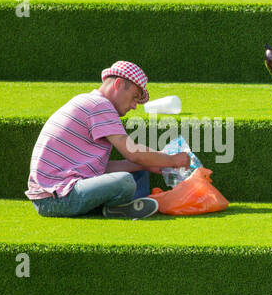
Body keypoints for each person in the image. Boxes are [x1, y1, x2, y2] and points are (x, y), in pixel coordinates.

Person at [25, 62, 193, 219]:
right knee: (125, 181)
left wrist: (149, 164)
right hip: (56, 198)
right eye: (134, 97)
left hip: (60, 195)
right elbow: (132, 152)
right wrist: (171, 160)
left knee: (138, 171)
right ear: (119, 84)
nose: (135, 106)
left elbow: (100, 169)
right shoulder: (100, 105)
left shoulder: (92, 103)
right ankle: (116, 208)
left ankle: (122, 206)